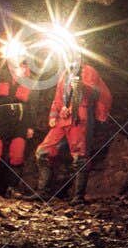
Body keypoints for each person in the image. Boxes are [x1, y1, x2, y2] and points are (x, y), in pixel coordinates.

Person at [35, 57, 111, 201]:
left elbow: (96, 92)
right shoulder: (65, 73)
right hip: (63, 118)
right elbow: (58, 97)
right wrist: (53, 115)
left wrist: (82, 86)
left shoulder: (88, 71)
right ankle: (43, 191)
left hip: (80, 117)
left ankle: (78, 197)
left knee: (80, 156)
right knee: (43, 152)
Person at [0, 42, 37, 196]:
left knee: (17, 153)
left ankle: (11, 188)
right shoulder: (0, 74)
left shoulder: (31, 78)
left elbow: (34, 104)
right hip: (1, 116)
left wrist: (31, 126)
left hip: (22, 118)